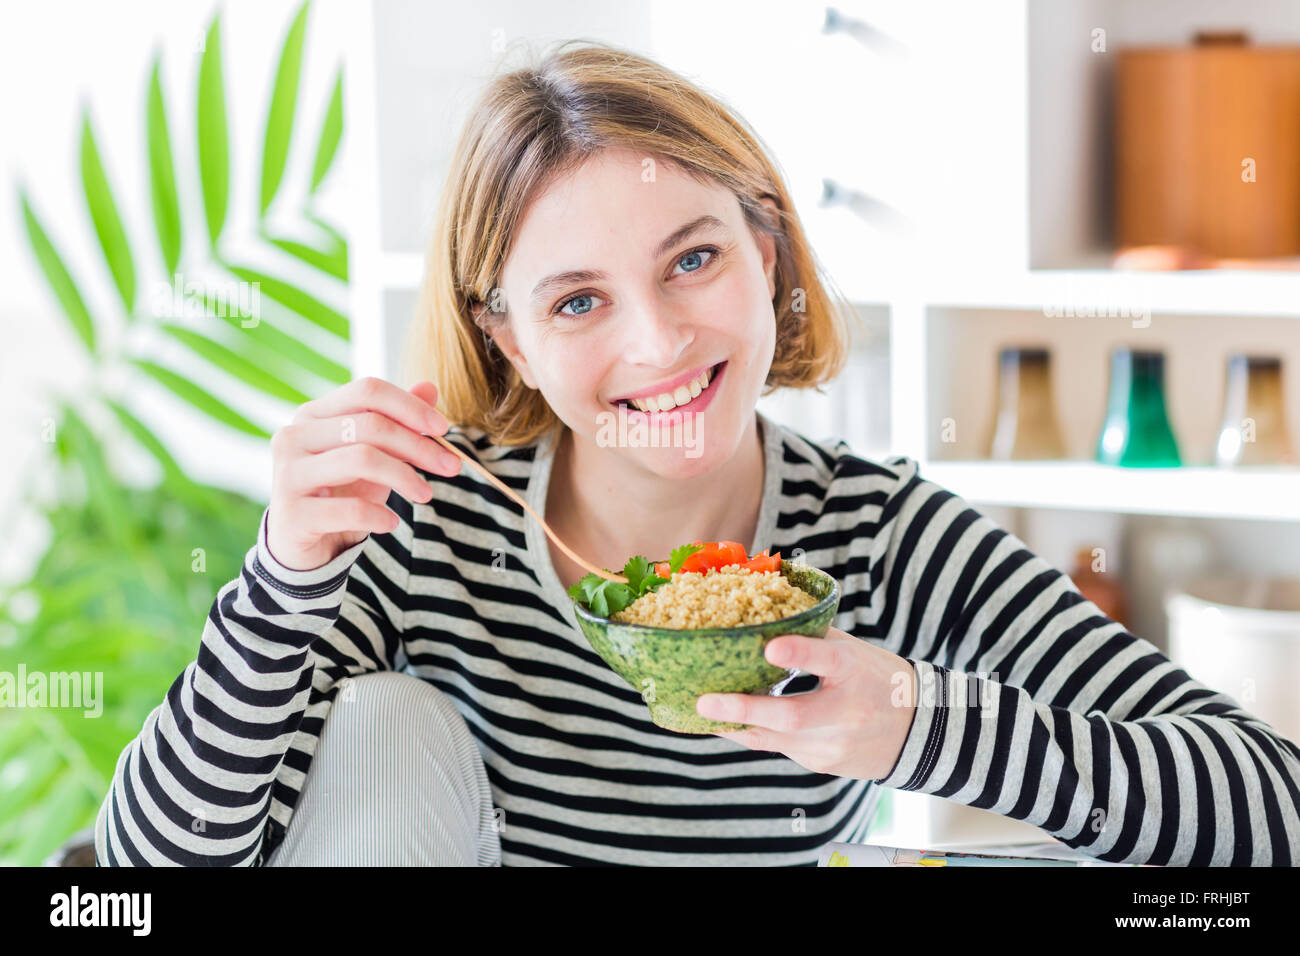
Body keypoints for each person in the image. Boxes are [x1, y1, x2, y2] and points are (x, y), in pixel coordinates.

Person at [95, 39, 1300, 867]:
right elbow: (142, 875)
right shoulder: (424, 524)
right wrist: (283, 579)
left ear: (765, 252)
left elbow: (1270, 803)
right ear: (501, 337)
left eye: (691, 259)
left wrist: (925, 721)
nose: (660, 342)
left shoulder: (878, 535)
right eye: (576, 302)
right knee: (383, 724)